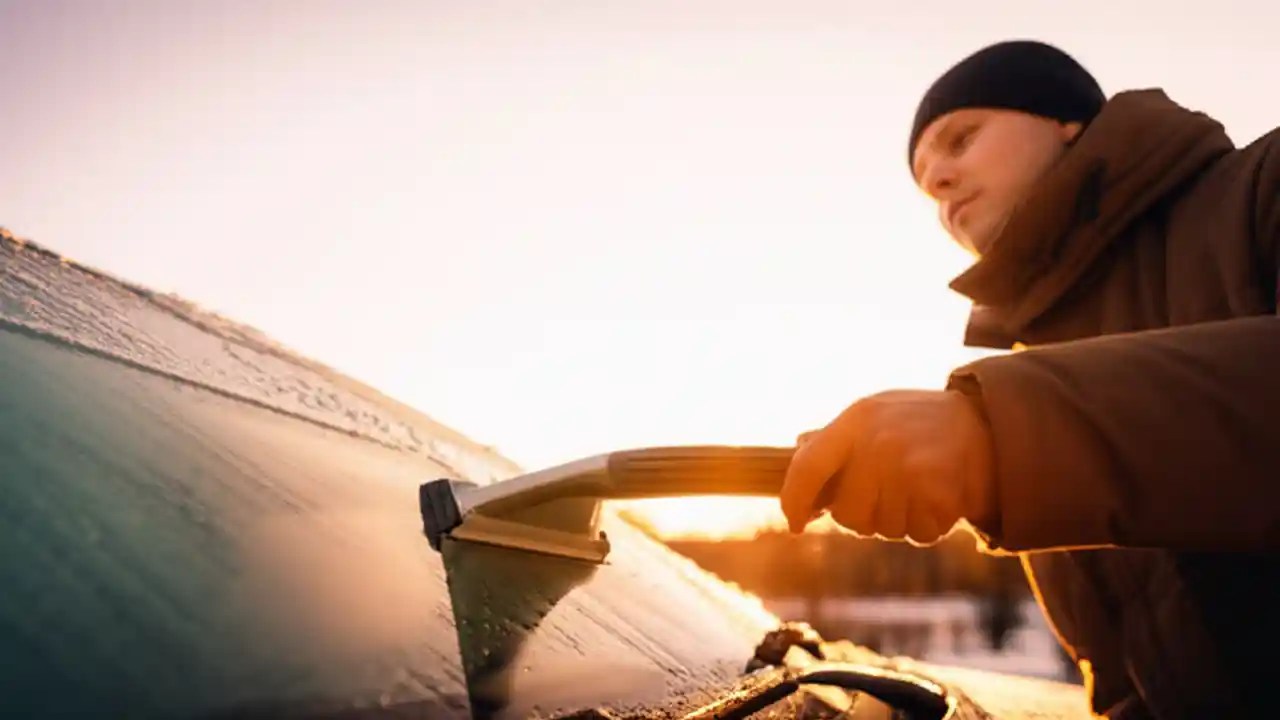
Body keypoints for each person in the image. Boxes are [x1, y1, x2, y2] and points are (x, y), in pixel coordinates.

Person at [779, 39, 1280, 719]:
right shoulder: (1027, 374)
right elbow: (1125, 680)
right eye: (926, 183)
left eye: (960, 140)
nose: (941, 184)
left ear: (1064, 119)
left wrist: (1002, 435)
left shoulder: (1262, 192)